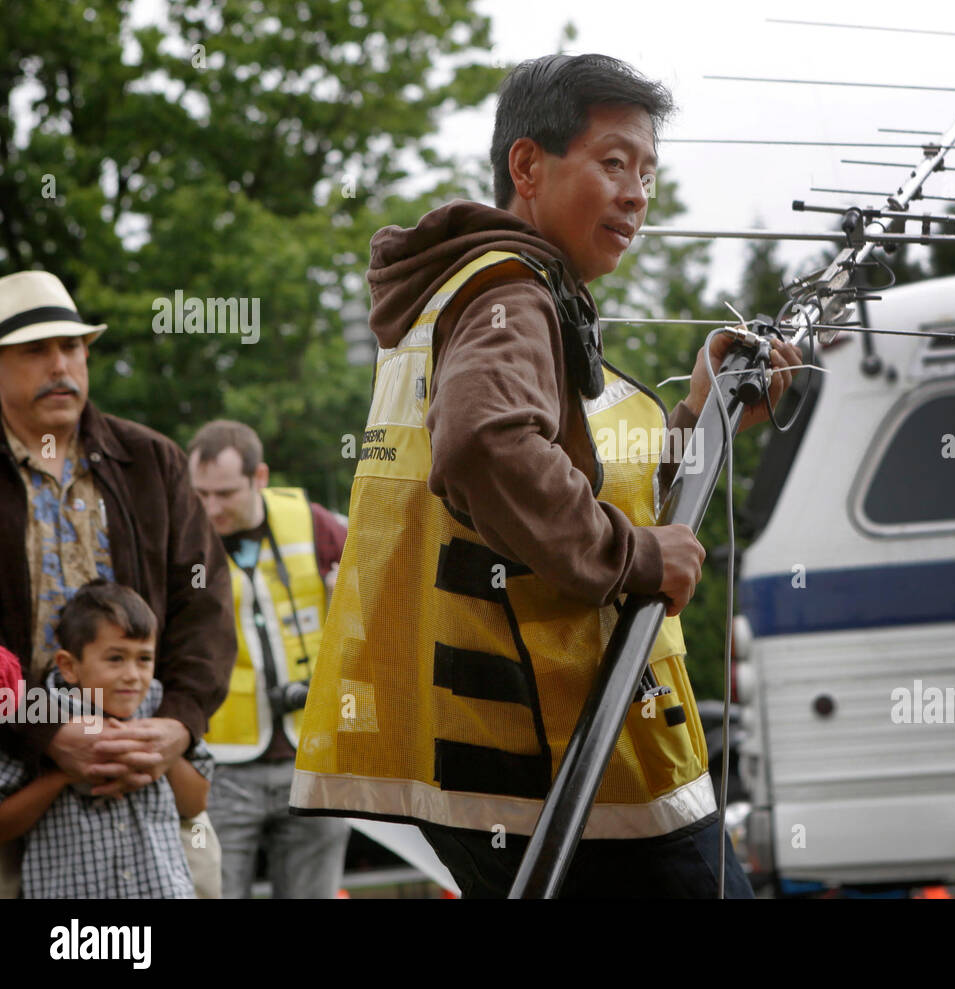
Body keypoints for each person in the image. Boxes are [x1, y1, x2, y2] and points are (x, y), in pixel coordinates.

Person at [291, 53, 799, 897]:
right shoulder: (509, 292)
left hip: (507, 758)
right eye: (612, 162)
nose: (637, 193)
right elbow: (486, 445)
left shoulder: (479, 292)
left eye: (648, 172)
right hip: (564, 754)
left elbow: (573, 469)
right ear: (527, 166)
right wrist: (634, 559)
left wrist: (697, 424)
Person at [0, 270, 235, 897]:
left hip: (153, 792)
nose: (61, 365)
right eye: (35, 350)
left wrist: (178, 726)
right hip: (14, 790)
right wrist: (44, 734)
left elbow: (205, 603)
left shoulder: (151, 460)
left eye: (73, 347)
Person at [188, 419, 351, 898]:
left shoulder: (313, 523)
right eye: (200, 494)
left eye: (224, 493)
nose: (210, 508)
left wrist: (351, 597)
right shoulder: (180, 539)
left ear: (259, 477)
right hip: (222, 767)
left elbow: (377, 613)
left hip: (314, 760)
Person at [0, 580, 215, 898]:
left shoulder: (161, 710)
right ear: (69, 667)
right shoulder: (39, 720)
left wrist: (154, 755)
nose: (132, 674)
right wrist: (63, 775)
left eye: (144, 659)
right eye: (115, 659)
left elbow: (196, 803)